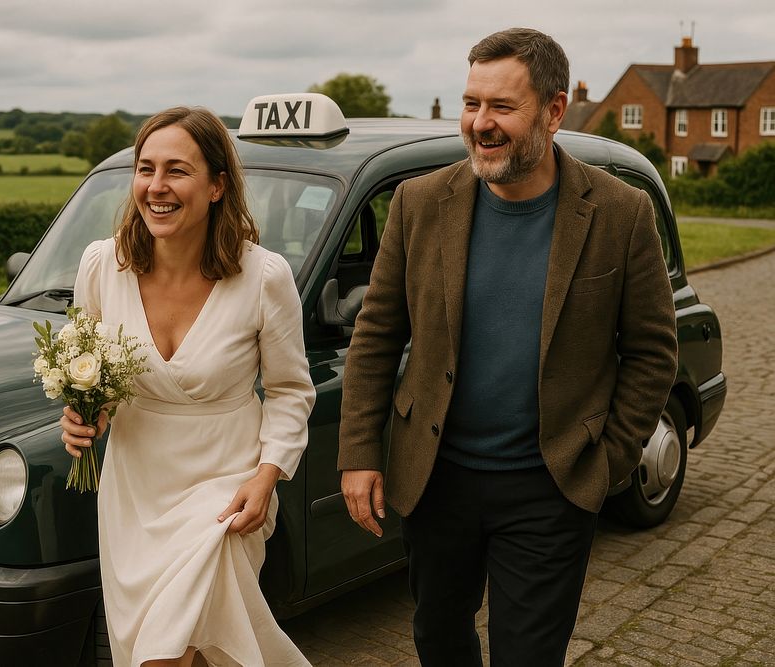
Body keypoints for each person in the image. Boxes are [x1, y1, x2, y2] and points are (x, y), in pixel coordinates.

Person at [338, 27, 678, 666]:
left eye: (501, 107)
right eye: (471, 103)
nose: (479, 123)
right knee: (438, 638)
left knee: (527, 655)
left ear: (554, 110)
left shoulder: (620, 213)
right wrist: (359, 451)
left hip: (549, 488)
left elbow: (654, 351)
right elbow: (377, 336)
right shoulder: (417, 203)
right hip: (436, 480)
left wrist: (607, 460)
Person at [60, 106, 315, 667]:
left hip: (227, 492)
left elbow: (292, 390)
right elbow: (94, 373)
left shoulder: (264, 277)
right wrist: (84, 415)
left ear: (217, 185)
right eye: (145, 168)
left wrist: (268, 477)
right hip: (135, 492)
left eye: (176, 170)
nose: (156, 186)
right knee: (175, 653)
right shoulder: (103, 267)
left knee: (165, 656)